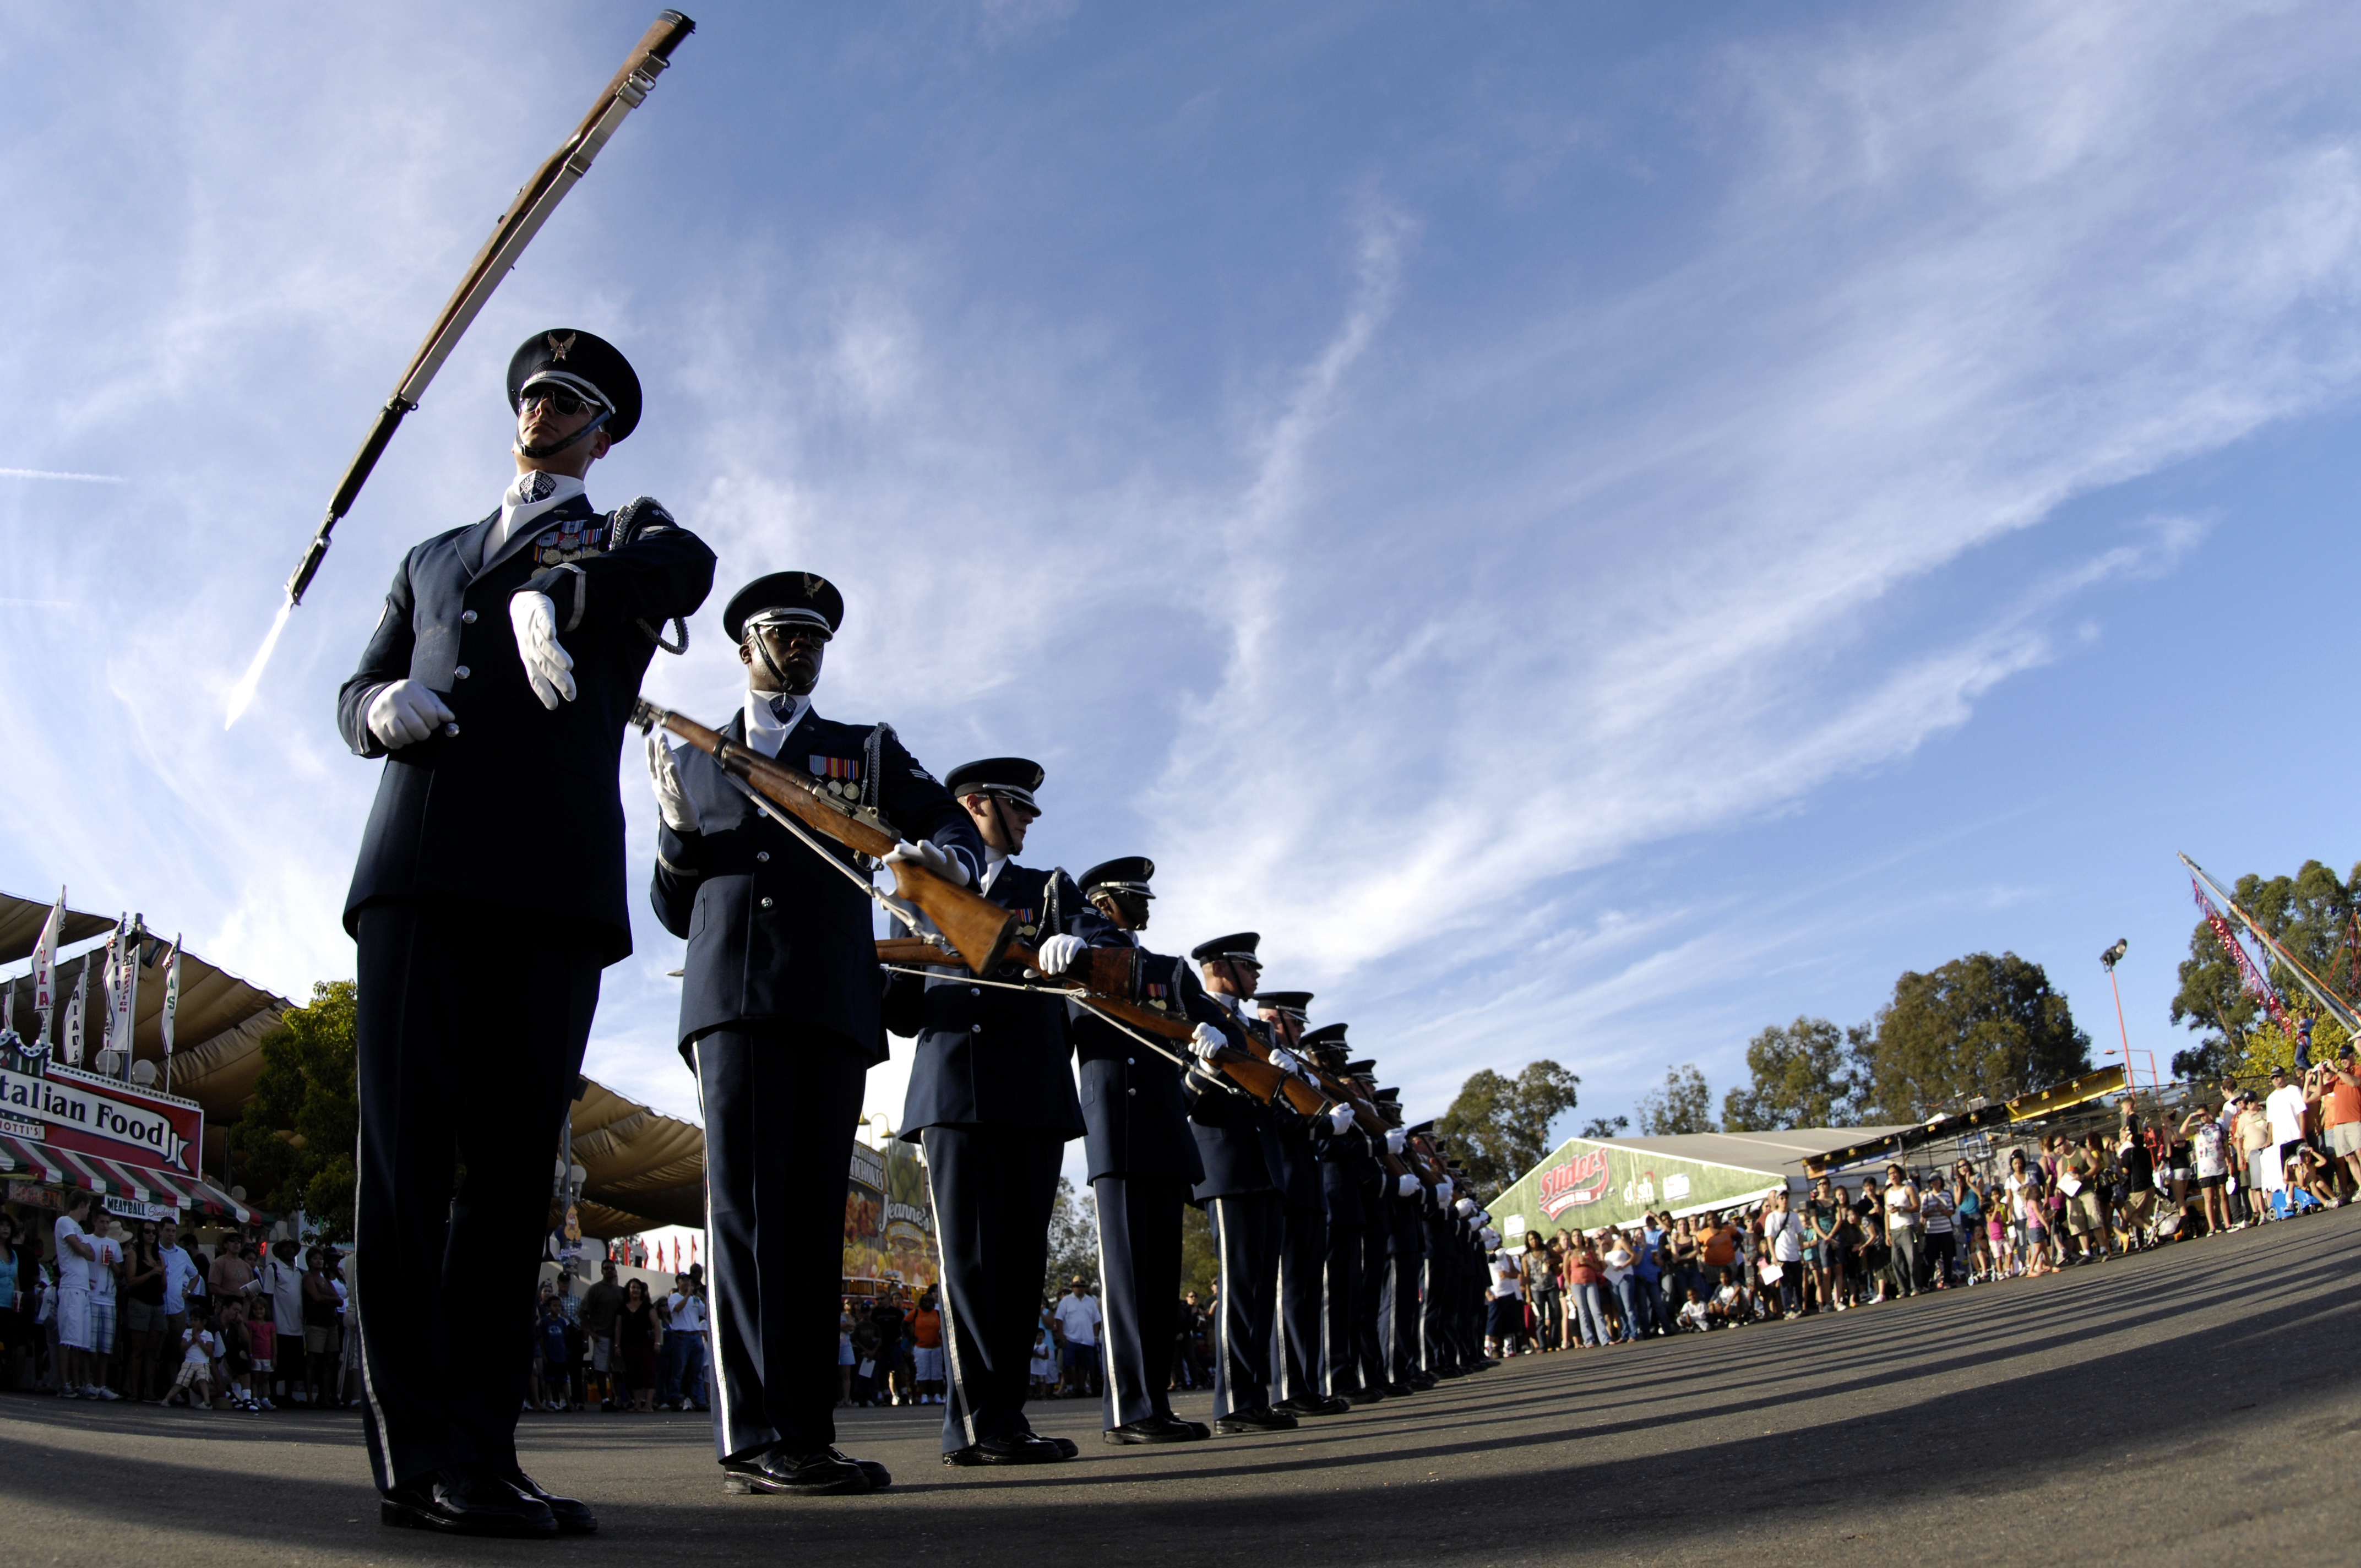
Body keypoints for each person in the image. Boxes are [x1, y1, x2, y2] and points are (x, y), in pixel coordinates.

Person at [336, 328, 714, 1538]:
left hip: (546, 884)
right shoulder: (432, 554)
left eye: (572, 402)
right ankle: (411, 1452)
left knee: (511, 1183)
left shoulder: (623, 535)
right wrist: (373, 708)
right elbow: (359, 682)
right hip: (420, 865)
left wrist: (566, 590)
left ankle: (481, 1452)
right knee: (397, 1172)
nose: (545, 409)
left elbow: (686, 569)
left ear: (600, 435)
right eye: (535, 393)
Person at [648, 571, 972, 1491]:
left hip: (833, 996)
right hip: (733, 995)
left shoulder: (861, 750)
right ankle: (755, 1438)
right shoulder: (699, 752)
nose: (801, 648)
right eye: (783, 634)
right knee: (748, 1217)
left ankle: (806, 1431)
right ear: (744, 647)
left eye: (814, 638)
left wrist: (934, 856)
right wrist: (676, 827)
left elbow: (948, 820)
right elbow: (674, 906)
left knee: (810, 1225)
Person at [883, 755, 1113, 1467]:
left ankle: (1006, 1419)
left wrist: (1075, 944)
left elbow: (1102, 940)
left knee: (1020, 1265)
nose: (1029, 821)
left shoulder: (1044, 889)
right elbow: (898, 1013)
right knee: (968, 1268)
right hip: (955, 1092)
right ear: (977, 804)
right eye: (1020, 807)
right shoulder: (919, 889)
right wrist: (895, 937)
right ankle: (972, 1427)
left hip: (1033, 1092)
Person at [1067, 856, 1217, 1444]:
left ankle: (1154, 1401)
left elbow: (1210, 1020)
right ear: (1104, 901)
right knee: (1128, 1282)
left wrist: (1216, 1033)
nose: (1148, 905)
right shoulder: (1075, 951)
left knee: (1159, 1280)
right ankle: (1128, 1410)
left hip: (1163, 1127)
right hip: (1118, 1129)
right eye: (1136, 896)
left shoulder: (1168, 969)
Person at [1180, 933, 1299, 1434]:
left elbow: (1278, 1107)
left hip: (1265, 1165)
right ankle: (1232, 1403)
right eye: (1249, 968)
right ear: (1221, 968)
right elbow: (1182, 1093)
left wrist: (1291, 1085)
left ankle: (1256, 1395)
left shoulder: (1257, 1030)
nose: (1257, 976)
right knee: (1236, 1288)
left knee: (1258, 1288)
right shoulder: (1190, 1012)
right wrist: (1205, 1069)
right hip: (1226, 1165)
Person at [51, 1190, 97, 1399]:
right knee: (68, 1337)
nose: (89, 1211)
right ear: (81, 1204)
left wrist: (86, 1249)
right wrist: (85, 1248)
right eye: (88, 1207)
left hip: (82, 1288)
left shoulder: (78, 1228)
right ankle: (64, 1383)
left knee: (80, 1339)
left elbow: (92, 1253)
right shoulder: (64, 1222)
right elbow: (81, 1250)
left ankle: (78, 1383)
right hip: (71, 1288)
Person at [85, 1212, 123, 1398]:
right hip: (91, 1297)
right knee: (89, 1347)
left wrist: (113, 1263)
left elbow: (120, 1274)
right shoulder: (85, 1240)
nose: (105, 1225)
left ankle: (101, 1385)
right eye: (102, 1222)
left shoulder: (114, 1245)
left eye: (108, 1222)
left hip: (109, 1298)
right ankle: (88, 1382)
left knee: (105, 1348)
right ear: (94, 1222)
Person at [579, 1259, 624, 1411]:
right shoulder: (595, 1290)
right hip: (602, 1335)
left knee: (618, 1370)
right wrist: (591, 1332)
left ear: (615, 1271)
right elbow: (582, 1312)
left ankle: (618, 1399)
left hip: (618, 1337)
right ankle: (605, 1400)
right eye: (606, 1268)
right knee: (601, 1369)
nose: (609, 1271)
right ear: (602, 1271)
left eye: (612, 1268)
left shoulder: (621, 1291)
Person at [617, 1279, 661, 1413]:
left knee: (648, 1373)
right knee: (632, 1374)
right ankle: (637, 1404)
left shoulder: (648, 1307)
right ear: (628, 1290)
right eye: (633, 1288)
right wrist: (617, 1346)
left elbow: (656, 1326)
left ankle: (648, 1404)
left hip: (646, 1344)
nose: (635, 1290)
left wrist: (657, 1343)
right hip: (628, 1345)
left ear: (642, 1291)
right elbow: (618, 1328)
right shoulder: (622, 1308)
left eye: (638, 1288)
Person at [171, 1300, 220, 1410]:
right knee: (181, 1381)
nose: (193, 1322)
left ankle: (207, 1402)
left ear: (204, 1322)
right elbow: (182, 1348)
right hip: (189, 1362)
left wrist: (199, 1340)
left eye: (196, 1320)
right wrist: (192, 1341)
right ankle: (167, 1399)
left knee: (203, 1380)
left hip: (202, 1363)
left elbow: (209, 1352)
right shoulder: (187, 1333)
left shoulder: (208, 1335)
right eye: (192, 1320)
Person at [1881, 1164, 1921, 1298]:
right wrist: (1887, 1233)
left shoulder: (1907, 1189)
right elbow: (1887, 1214)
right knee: (1897, 1261)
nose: (1893, 1176)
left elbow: (1916, 1207)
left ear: (1900, 1174)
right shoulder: (1888, 1193)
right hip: (1894, 1230)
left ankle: (1916, 1286)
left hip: (1906, 1227)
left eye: (1895, 1173)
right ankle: (1903, 1289)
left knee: (1912, 1258)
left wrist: (1902, 1209)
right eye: (1890, 1174)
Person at [910, 1287, 945, 1406]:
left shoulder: (937, 1314)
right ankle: (924, 1395)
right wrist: (911, 1338)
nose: (928, 1304)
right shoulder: (916, 1313)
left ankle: (937, 1395)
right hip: (921, 1348)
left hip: (936, 1347)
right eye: (926, 1301)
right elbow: (904, 1324)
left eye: (930, 1302)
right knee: (922, 1372)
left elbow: (944, 1328)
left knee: (937, 1372)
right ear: (921, 1303)